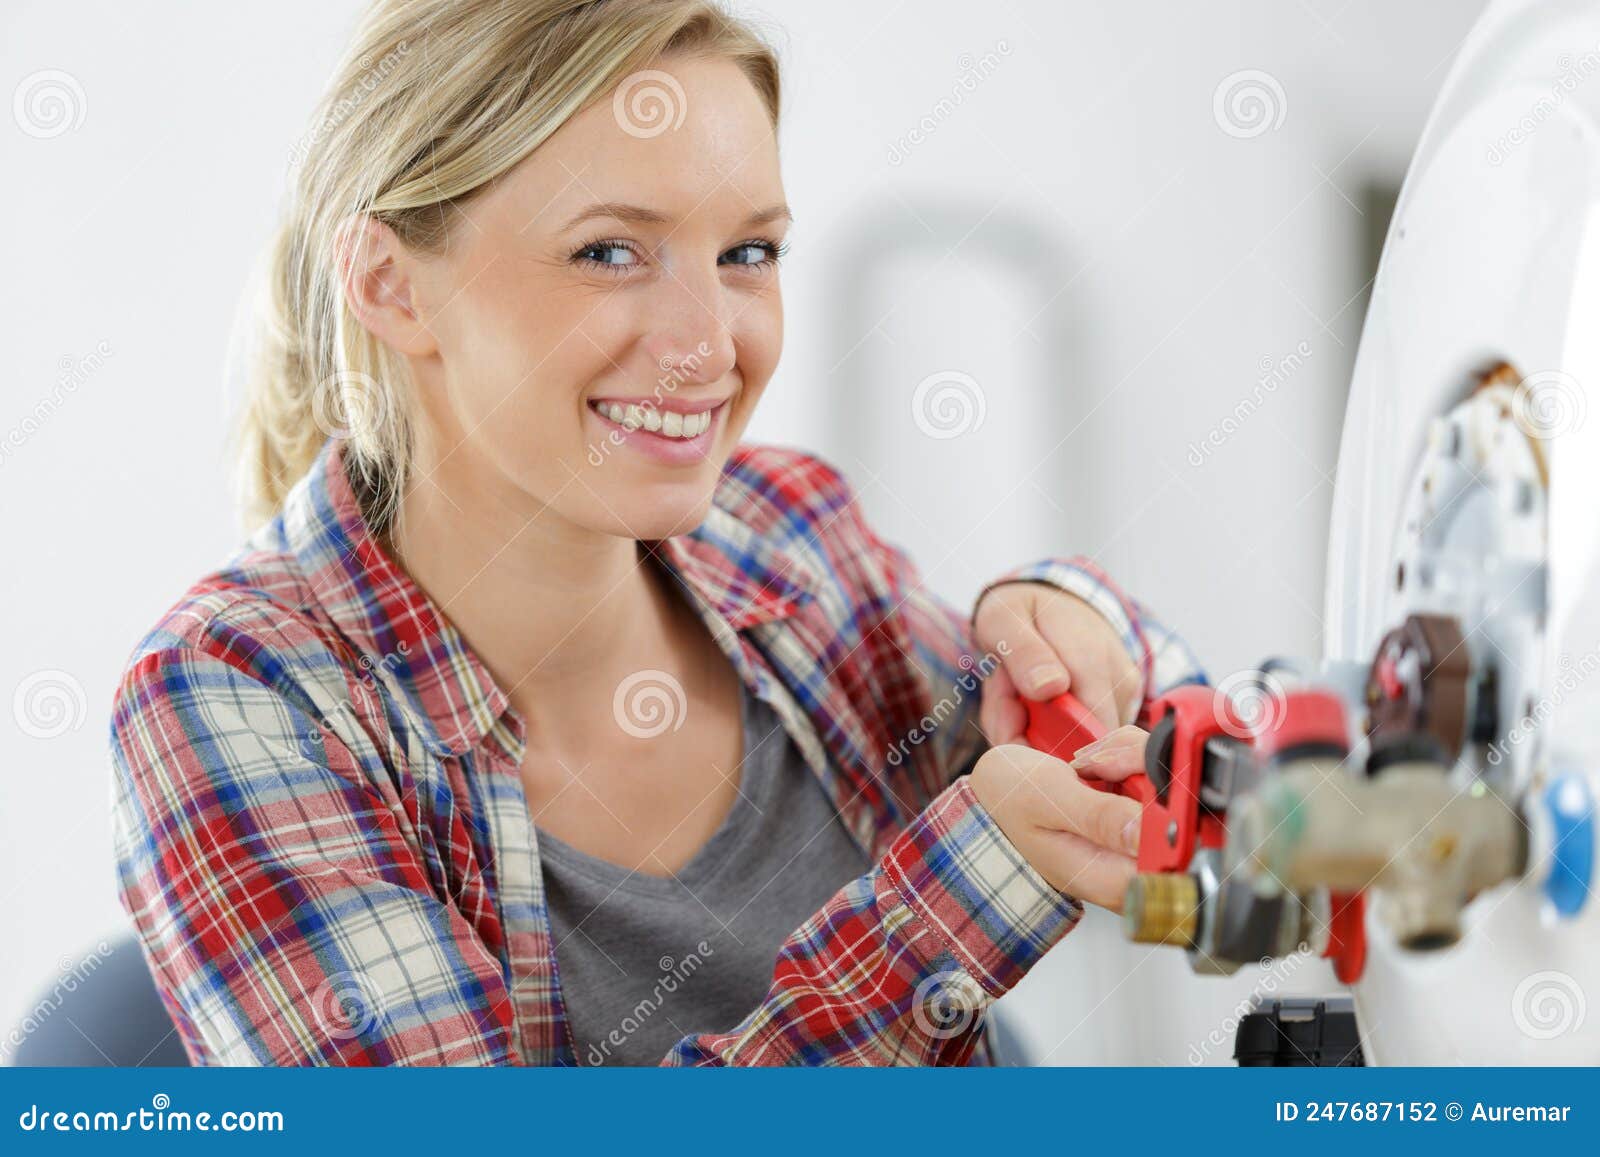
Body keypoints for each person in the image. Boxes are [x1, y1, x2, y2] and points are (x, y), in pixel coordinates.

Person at [109, 0, 1204, 1066]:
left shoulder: (784, 538)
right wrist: (965, 896)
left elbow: (1148, 732)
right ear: (393, 285)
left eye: (748, 254)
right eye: (609, 253)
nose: (707, 345)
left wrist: (1075, 627)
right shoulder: (235, 690)